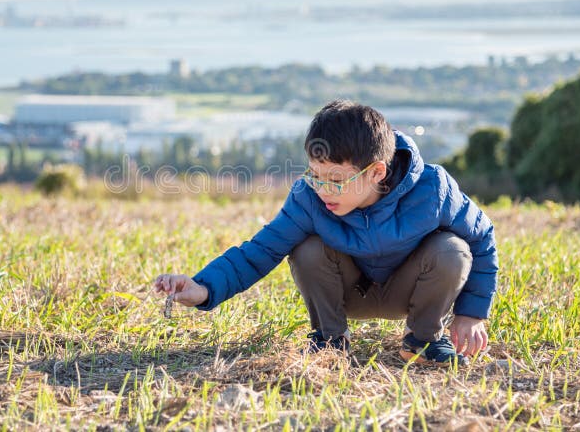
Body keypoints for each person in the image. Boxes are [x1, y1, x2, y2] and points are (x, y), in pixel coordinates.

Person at [154, 99, 498, 366]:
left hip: (412, 290)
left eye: (335, 179)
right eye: (315, 174)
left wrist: (472, 313)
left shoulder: (433, 188)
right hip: (347, 292)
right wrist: (203, 288)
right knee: (307, 249)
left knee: (452, 249)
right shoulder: (308, 197)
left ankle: (422, 341)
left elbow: (482, 238)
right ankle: (331, 340)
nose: (322, 188)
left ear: (376, 171)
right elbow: (259, 251)